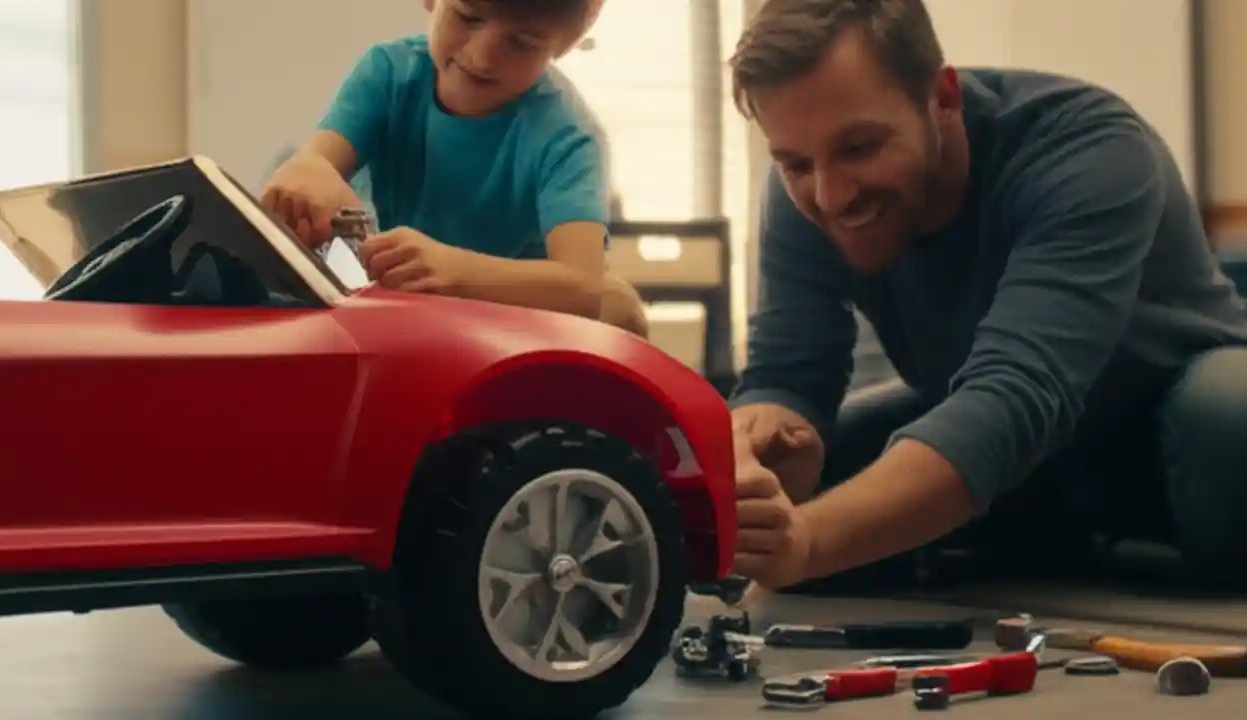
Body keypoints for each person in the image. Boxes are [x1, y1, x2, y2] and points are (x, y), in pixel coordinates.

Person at [725, 0, 1247, 592]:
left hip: (1163, 422)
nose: (831, 195)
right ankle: (1041, 535)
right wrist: (758, 445)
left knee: (1232, 426)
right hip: (995, 421)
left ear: (943, 98)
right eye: (795, 163)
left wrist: (811, 542)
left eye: (860, 148)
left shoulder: (1090, 148)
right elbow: (786, 376)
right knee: (801, 495)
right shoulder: (807, 191)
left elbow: (1017, 392)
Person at [261, 0, 647, 337]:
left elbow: (582, 288)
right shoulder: (388, 73)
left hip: (519, 324)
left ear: (563, 45)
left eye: (522, 43)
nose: (482, 57)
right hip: (409, 309)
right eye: (467, 16)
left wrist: (454, 271)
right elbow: (314, 163)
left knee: (620, 308)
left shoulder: (568, 136)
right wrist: (311, 173)